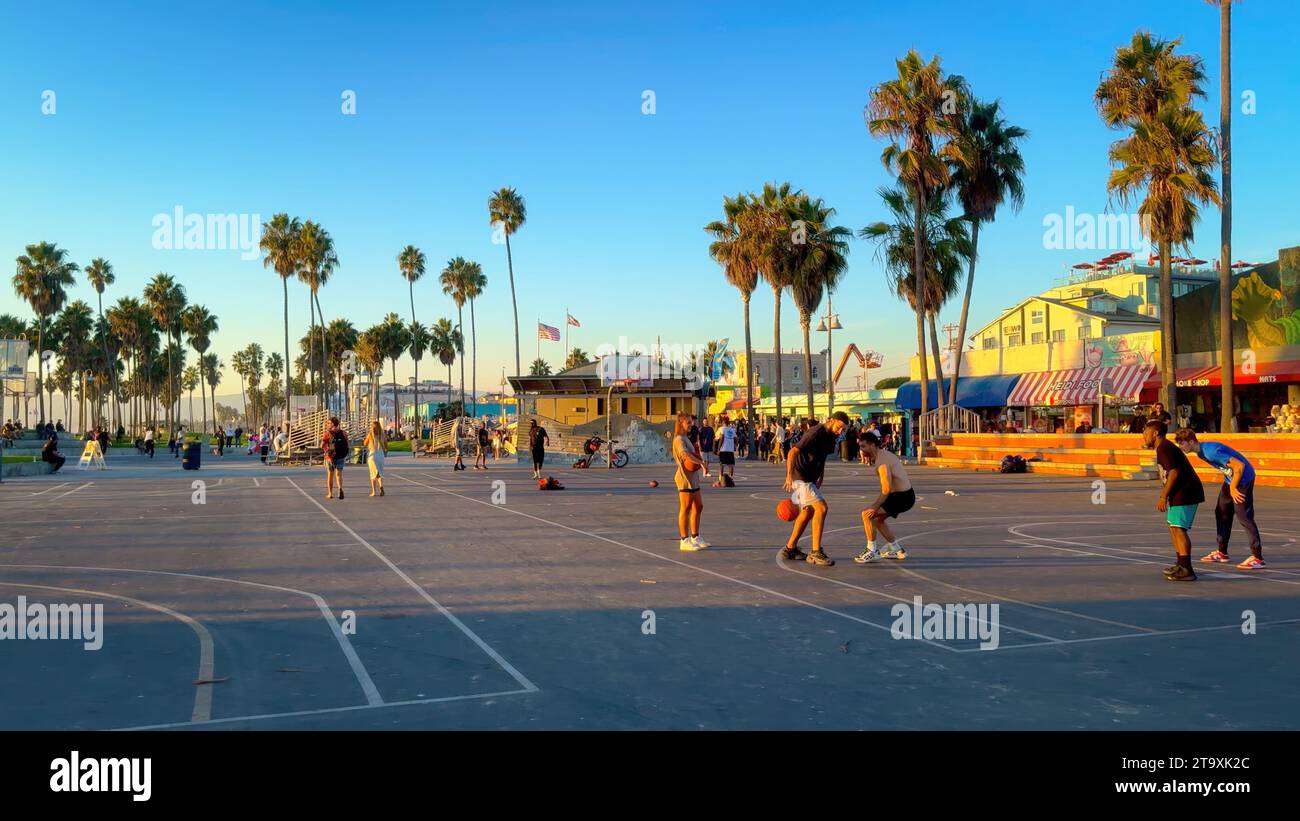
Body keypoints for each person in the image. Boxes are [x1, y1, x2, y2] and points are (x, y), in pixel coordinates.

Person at [1174, 429, 1265, 569]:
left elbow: (1240, 466)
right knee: (1221, 512)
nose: (1180, 447)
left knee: (1244, 516)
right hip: (1231, 480)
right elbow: (1228, 468)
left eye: (1182, 444)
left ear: (1191, 442)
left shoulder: (1211, 452)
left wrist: (1234, 488)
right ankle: (1222, 552)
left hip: (1243, 479)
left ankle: (1257, 558)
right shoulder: (1200, 453)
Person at [781, 410, 851, 567]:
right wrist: (789, 475)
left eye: (843, 429)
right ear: (831, 420)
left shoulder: (832, 437)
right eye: (839, 427)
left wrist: (821, 475)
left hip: (810, 477)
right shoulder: (816, 432)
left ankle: (790, 548)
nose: (840, 431)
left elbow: (823, 457)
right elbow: (793, 451)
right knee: (822, 508)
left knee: (808, 511)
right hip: (801, 476)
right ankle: (815, 552)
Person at [1144, 420, 1205, 582]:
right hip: (1178, 493)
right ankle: (1181, 563)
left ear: (1155, 433)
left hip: (1185, 492)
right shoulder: (1162, 448)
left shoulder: (1164, 447)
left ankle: (1187, 569)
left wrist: (1163, 496)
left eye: (1146, 432)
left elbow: (1174, 472)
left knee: (1179, 528)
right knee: (1173, 527)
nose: (1144, 435)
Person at [855, 430, 916, 563]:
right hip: (902, 495)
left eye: (863, 446)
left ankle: (872, 550)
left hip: (903, 497)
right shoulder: (882, 455)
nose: (861, 449)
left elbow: (886, 489)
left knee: (867, 515)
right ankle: (897, 550)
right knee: (878, 520)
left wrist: (874, 507)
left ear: (872, 445)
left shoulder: (882, 461)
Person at [672, 411, 709, 551]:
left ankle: (695, 537)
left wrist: (700, 460)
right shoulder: (678, 439)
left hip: (693, 477)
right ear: (680, 423)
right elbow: (685, 454)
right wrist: (701, 463)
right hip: (684, 478)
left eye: (691, 422)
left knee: (698, 506)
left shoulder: (686, 438)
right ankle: (684, 540)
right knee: (685, 508)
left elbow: (692, 453)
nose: (691, 424)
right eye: (688, 422)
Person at [324, 417, 349, 500]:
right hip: (341, 456)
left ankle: (330, 493)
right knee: (339, 474)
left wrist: (327, 450)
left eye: (328, 423)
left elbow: (322, 445)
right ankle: (340, 488)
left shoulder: (328, 433)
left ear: (332, 424)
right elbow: (347, 444)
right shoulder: (343, 433)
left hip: (330, 457)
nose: (327, 425)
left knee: (330, 475)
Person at [364, 419, 388, 497]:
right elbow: (386, 445)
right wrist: (386, 452)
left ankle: (374, 491)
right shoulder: (383, 434)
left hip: (373, 455)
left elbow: (365, 443)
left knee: (372, 474)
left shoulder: (370, 434)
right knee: (379, 473)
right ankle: (381, 486)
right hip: (380, 455)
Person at [716, 416, 736, 483]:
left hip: (724, 449)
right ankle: (731, 478)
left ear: (723, 422)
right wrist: (735, 445)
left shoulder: (722, 429)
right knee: (731, 465)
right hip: (730, 450)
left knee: (722, 465)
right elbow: (736, 438)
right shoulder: (732, 429)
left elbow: (721, 438)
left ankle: (720, 479)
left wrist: (718, 448)